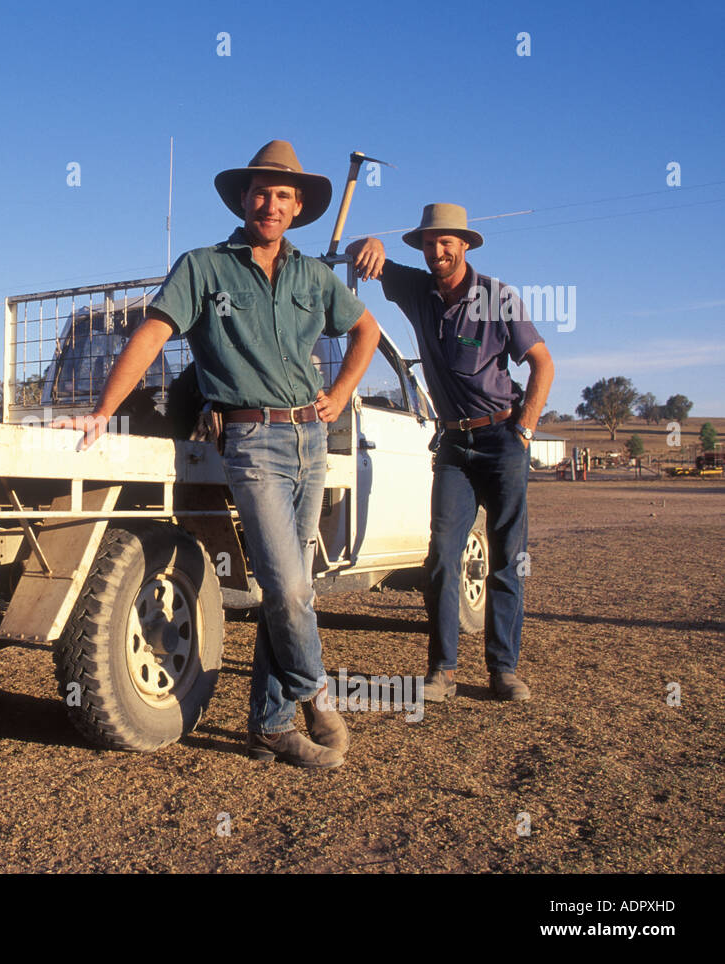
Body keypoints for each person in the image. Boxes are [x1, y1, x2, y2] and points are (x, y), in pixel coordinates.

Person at [62, 140, 381, 768]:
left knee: (291, 591)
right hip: (251, 439)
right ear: (243, 199)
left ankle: (269, 725)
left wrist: (341, 393)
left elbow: (366, 329)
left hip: (310, 439)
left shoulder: (313, 276)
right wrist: (104, 408)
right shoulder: (204, 267)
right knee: (287, 587)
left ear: (297, 208)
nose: (270, 203)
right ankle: (315, 691)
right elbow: (152, 332)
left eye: (283, 195)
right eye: (260, 192)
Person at [347, 203, 555, 702]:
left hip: (502, 439)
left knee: (506, 554)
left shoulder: (499, 297)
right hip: (453, 445)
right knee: (441, 554)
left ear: (463, 245)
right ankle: (442, 670)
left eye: (446, 242)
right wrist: (368, 243)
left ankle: (503, 669)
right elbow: (359, 254)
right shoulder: (416, 290)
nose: (437, 251)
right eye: (428, 243)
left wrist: (524, 430)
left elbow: (542, 364)